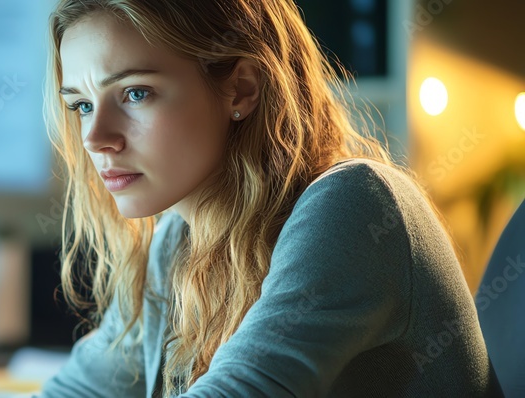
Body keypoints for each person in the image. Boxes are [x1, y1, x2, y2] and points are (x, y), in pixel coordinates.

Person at [38, 0, 504, 397]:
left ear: (241, 88)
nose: (95, 137)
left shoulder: (355, 205)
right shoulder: (178, 239)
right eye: (81, 104)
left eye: (135, 93)